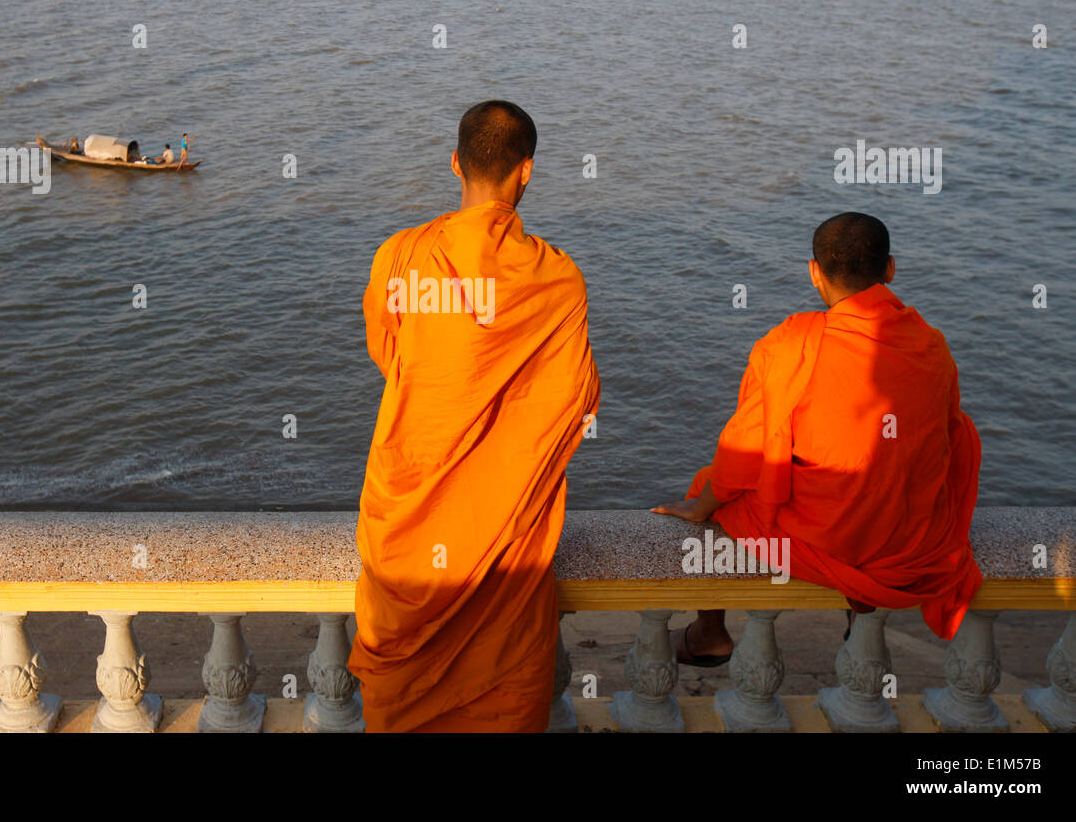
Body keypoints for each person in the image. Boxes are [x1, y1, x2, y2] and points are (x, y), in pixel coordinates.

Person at [349, 100, 601, 732]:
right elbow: (575, 400)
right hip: (500, 542)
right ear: (527, 172)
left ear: (455, 164)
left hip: (408, 519)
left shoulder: (400, 259)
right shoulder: (559, 280)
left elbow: (393, 357)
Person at [655, 212, 982, 661]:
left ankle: (709, 633)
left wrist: (702, 505)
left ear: (814, 272)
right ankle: (856, 620)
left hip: (827, 533)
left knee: (710, 484)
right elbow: (946, 439)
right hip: (907, 534)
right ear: (890, 268)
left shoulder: (791, 343)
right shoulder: (931, 344)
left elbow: (746, 452)